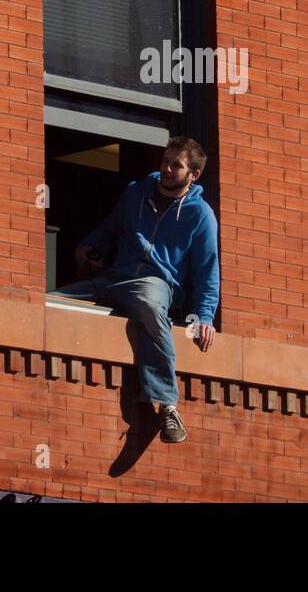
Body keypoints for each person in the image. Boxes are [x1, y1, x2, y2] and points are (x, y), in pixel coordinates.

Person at [61, 137, 220, 444]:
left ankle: (167, 405)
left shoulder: (200, 216)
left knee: (150, 305)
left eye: (176, 165)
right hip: (114, 278)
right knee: (55, 301)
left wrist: (204, 316)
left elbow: (206, 272)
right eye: (165, 161)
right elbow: (111, 228)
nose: (167, 169)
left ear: (193, 175)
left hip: (157, 283)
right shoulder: (137, 192)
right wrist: (89, 247)